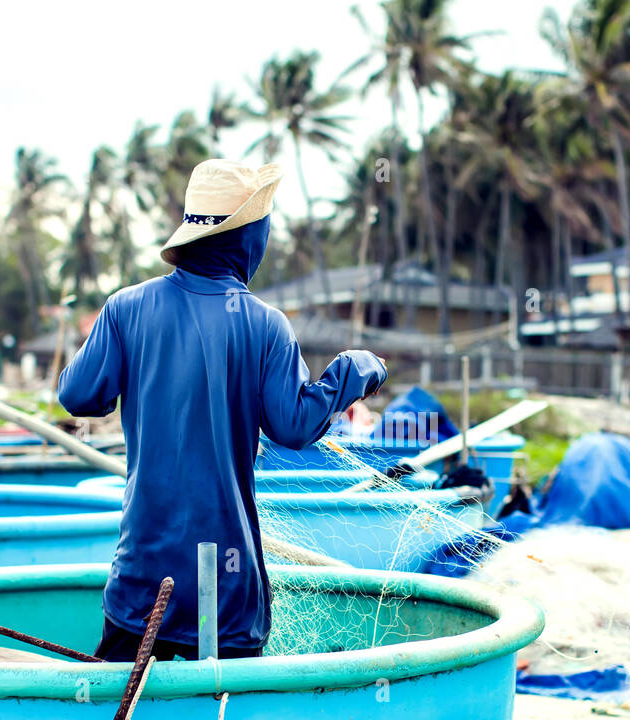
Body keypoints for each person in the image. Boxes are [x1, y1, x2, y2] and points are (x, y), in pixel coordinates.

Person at [58, 160, 387, 662]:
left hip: (143, 579)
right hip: (229, 589)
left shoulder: (126, 308)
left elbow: (79, 395)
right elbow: (294, 426)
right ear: (249, 238)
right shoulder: (264, 325)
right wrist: (355, 369)